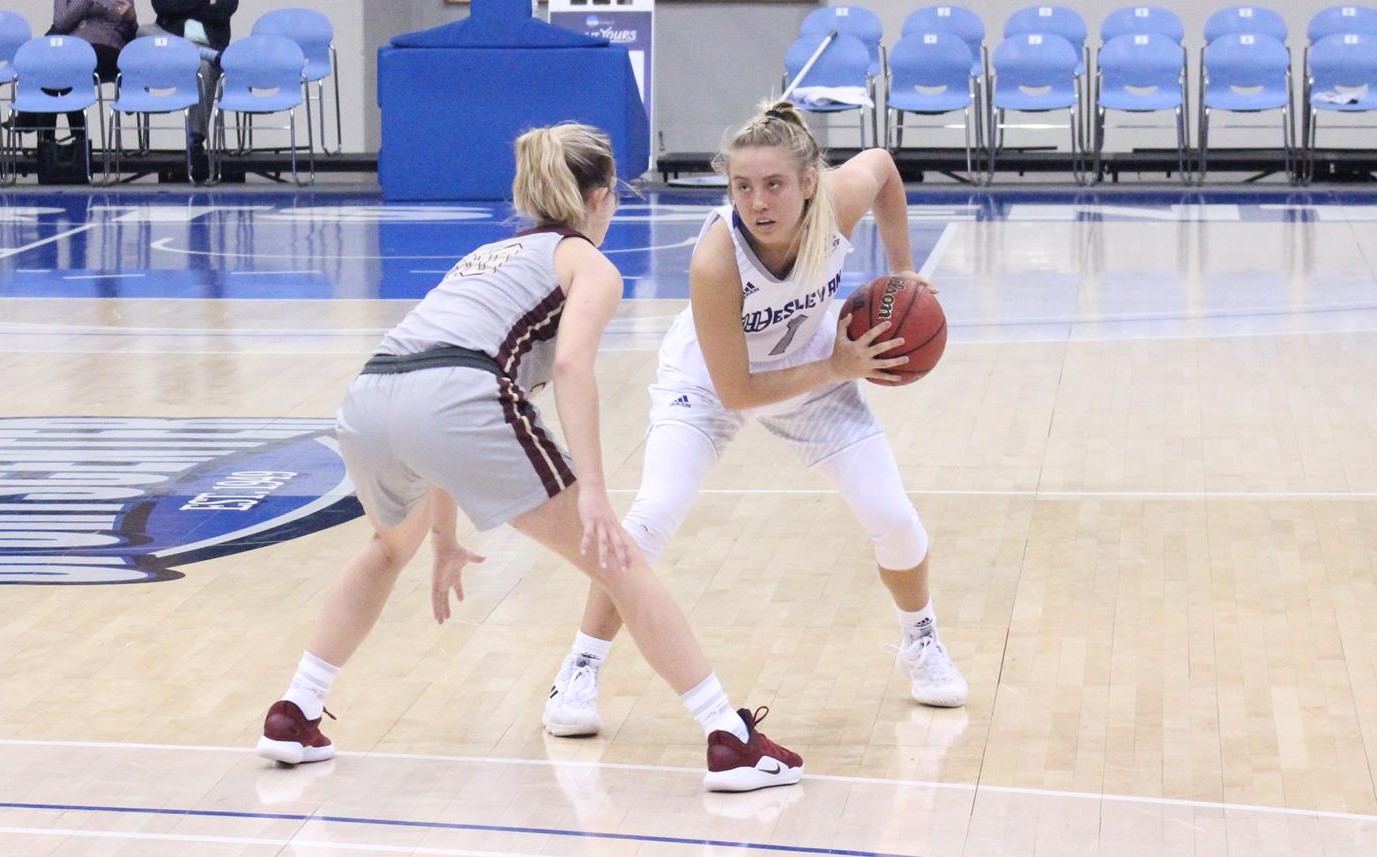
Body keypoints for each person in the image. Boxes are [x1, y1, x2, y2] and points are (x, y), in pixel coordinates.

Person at [255, 123, 803, 795]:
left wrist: (442, 534)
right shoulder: (588, 264)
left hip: (370, 398)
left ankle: (295, 709)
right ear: (601, 196)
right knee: (620, 562)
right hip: (452, 395)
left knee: (384, 549)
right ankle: (729, 736)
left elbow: (438, 399)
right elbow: (563, 367)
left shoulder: (485, 256)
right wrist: (593, 488)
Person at [541, 101, 968, 739]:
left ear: (809, 182)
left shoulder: (836, 205)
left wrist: (904, 267)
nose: (757, 202)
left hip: (813, 372)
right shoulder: (717, 260)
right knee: (651, 517)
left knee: (896, 520)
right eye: (742, 186)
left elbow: (881, 165)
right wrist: (839, 365)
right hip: (710, 385)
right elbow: (738, 390)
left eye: (773, 184)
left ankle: (922, 640)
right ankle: (579, 668)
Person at [14, 0, 136, 143]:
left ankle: (39, 126)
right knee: (57, 67)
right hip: (71, 50)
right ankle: (57, 141)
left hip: (105, 48)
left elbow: (130, 32)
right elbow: (60, 24)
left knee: (62, 67)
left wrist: (130, 17)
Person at [140, 0, 238, 178]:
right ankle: (201, 52)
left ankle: (195, 141)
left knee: (205, 69)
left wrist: (181, 8)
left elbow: (223, 10)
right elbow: (161, 6)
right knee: (142, 32)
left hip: (208, 46)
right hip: (171, 45)